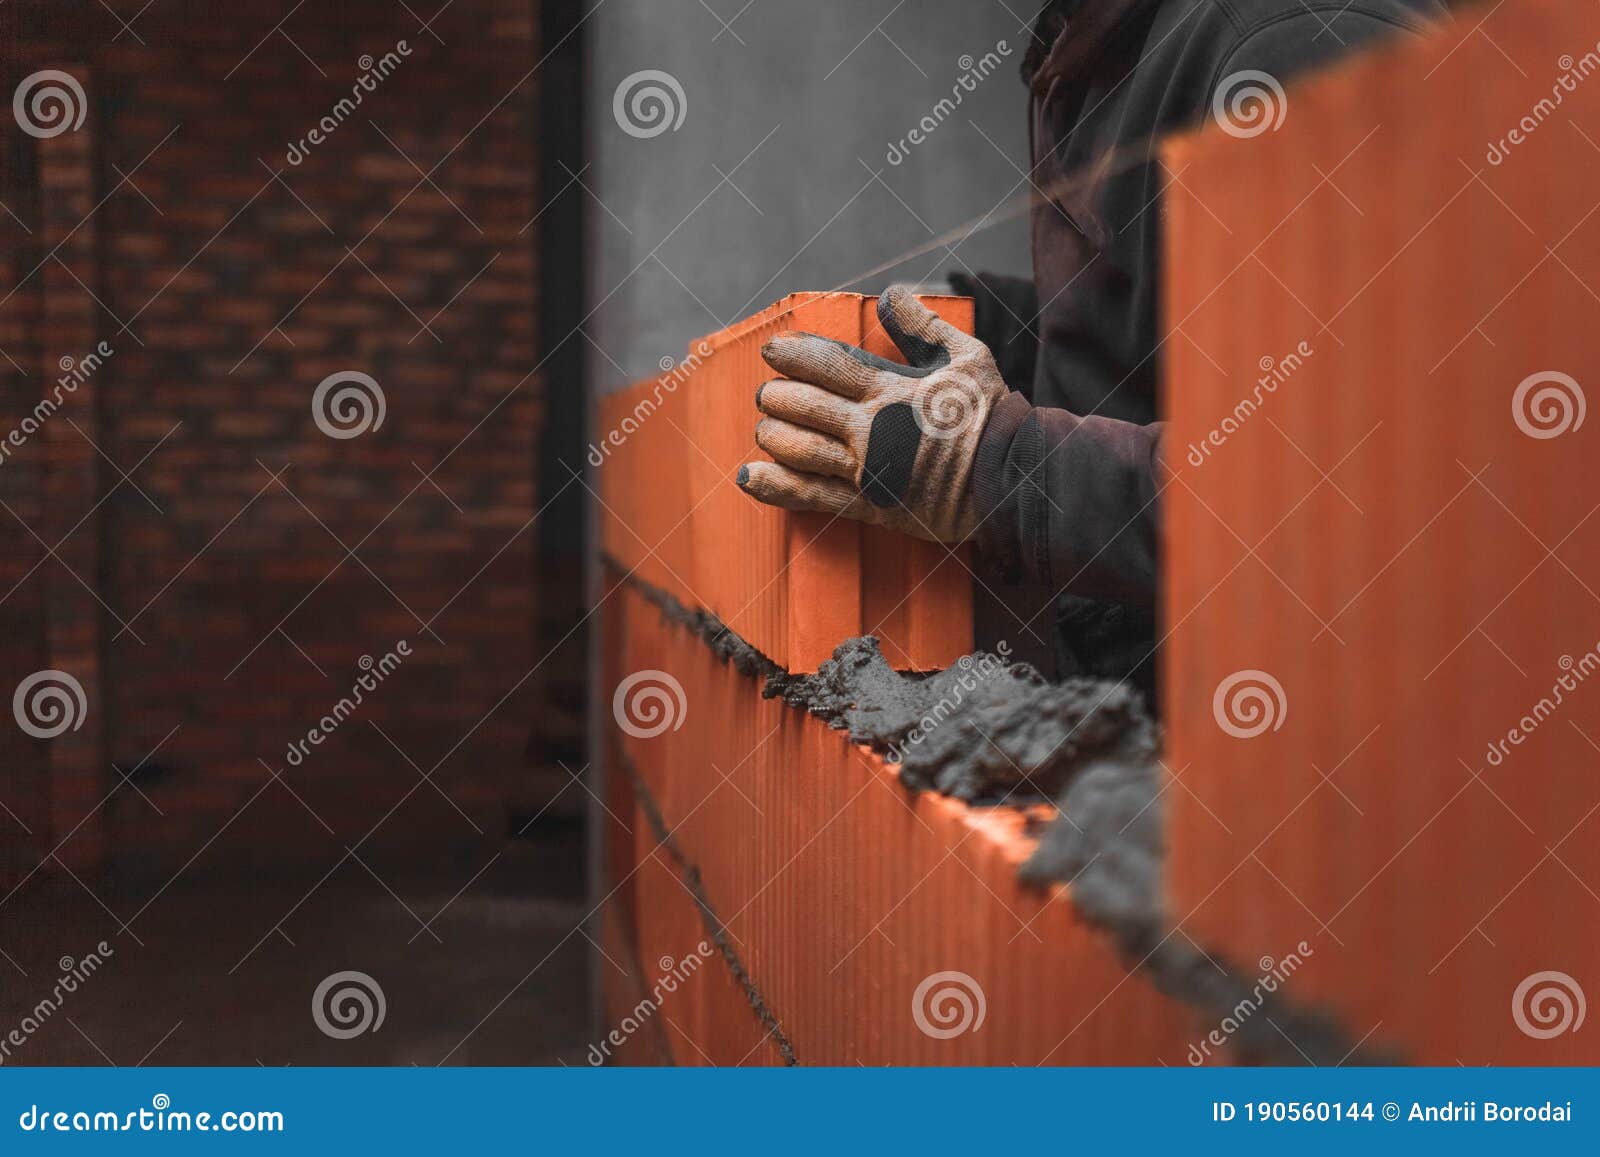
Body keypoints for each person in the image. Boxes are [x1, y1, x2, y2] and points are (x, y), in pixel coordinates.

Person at [737, 0, 1446, 700]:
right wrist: (1005, 331)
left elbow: (1327, 498)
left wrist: (995, 467)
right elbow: (1181, 345)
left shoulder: (1298, 43)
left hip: (1291, 755)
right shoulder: (1104, 36)